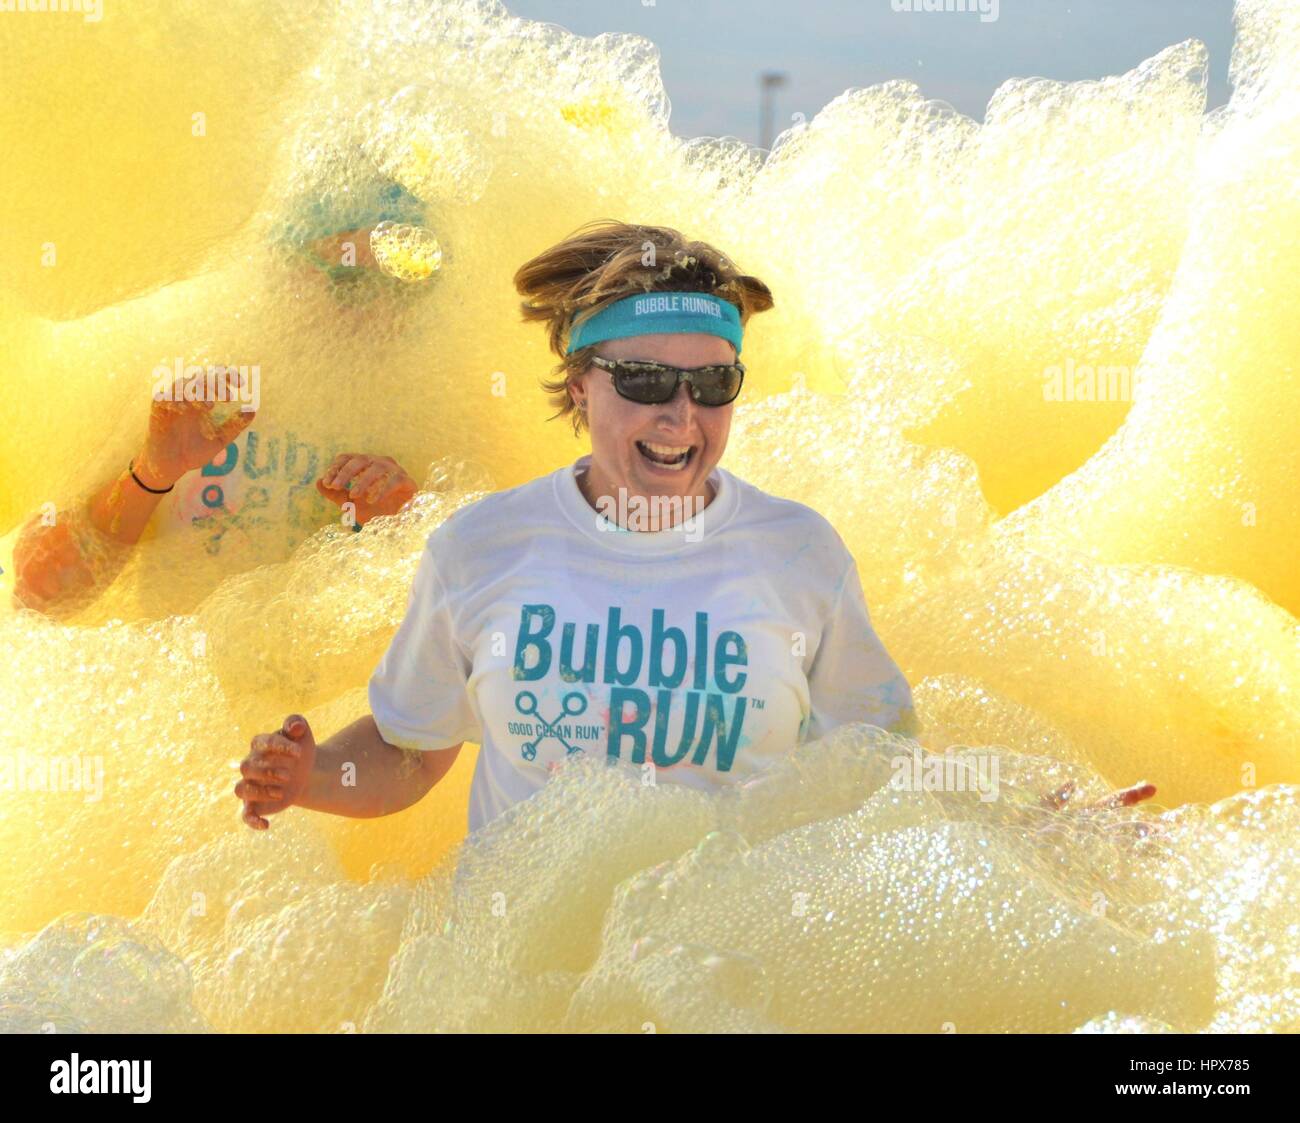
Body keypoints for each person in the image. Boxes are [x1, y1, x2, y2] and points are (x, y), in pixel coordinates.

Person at [235, 220, 1155, 832]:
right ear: (581, 380)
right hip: (529, 980)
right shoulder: (483, 549)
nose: (681, 414)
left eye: (714, 384)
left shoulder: (799, 554)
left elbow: (877, 771)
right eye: (643, 381)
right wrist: (308, 778)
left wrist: (1031, 819)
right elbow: (408, 750)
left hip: (719, 971)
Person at [10, 370, 418, 615]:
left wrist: (394, 527)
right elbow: (40, 594)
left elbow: (441, 624)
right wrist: (153, 470)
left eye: (397, 277)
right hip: (173, 695)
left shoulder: (417, 398)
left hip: (324, 716)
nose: (360, 292)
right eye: (339, 253)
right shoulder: (180, 368)